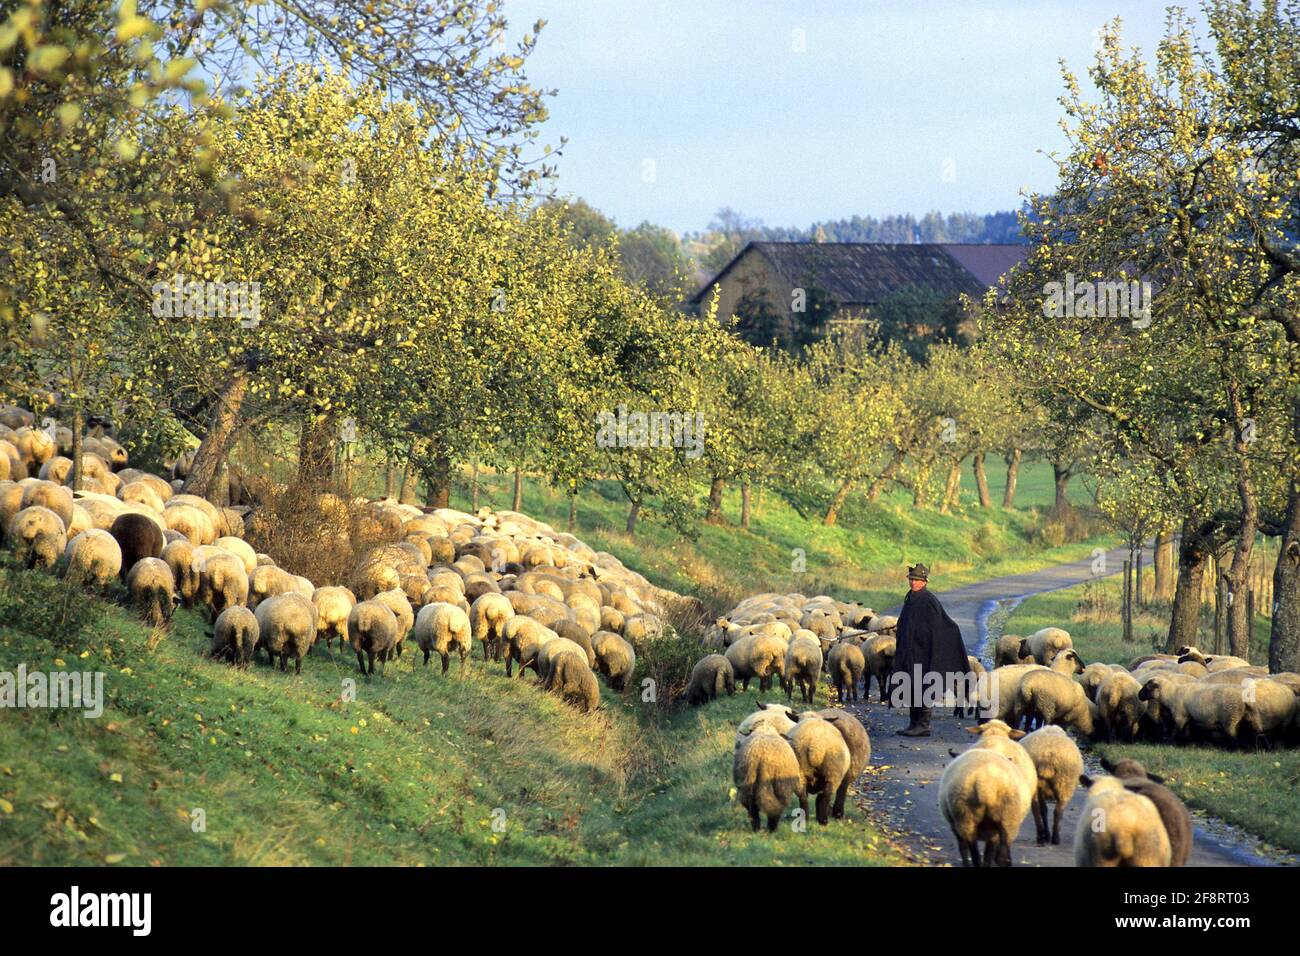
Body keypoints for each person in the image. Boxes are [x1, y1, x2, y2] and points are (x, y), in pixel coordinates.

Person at [891, 563, 970, 737]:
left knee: (924, 686)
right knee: (911, 686)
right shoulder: (910, 598)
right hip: (910, 652)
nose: (914, 583)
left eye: (917, 580)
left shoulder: (928, 600)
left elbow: (939, 625)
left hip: (923, 653)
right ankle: (913, 724)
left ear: (925, 582)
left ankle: (923, 725)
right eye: (912, 579)